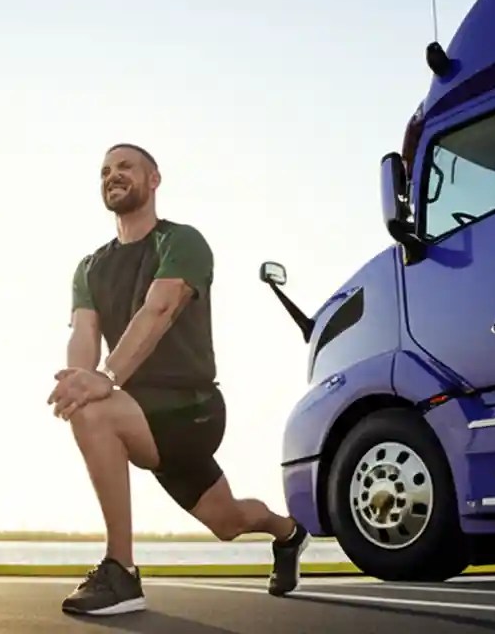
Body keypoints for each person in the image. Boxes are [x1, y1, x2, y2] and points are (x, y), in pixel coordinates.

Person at [48, 142, 310, 617]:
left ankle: (120, 572)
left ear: (154, 179)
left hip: (192, 409)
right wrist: (77, 378)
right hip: (140, 415)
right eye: (105, 170)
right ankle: (288, 533)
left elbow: (161, 308)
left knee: (94, 411)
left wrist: (103, 378)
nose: (113, 174)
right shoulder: (90, 268)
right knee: (228, 522)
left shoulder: (182, 242)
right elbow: (84, 331)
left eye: (126, 166)